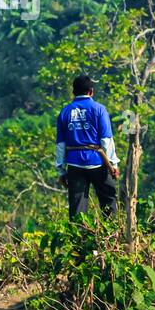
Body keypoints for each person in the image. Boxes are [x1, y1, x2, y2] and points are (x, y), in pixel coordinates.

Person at [55, 75, 120, 219]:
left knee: (77, 208)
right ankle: (111, 236)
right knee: (108, 201)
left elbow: (61, 144)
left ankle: (78, 239)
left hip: (74, 164)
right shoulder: (99, 109)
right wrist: (113, 164)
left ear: (73, 92)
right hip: (97, 162)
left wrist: (60, 170)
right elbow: (106, 140)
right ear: (91, 91)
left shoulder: (65, 112)